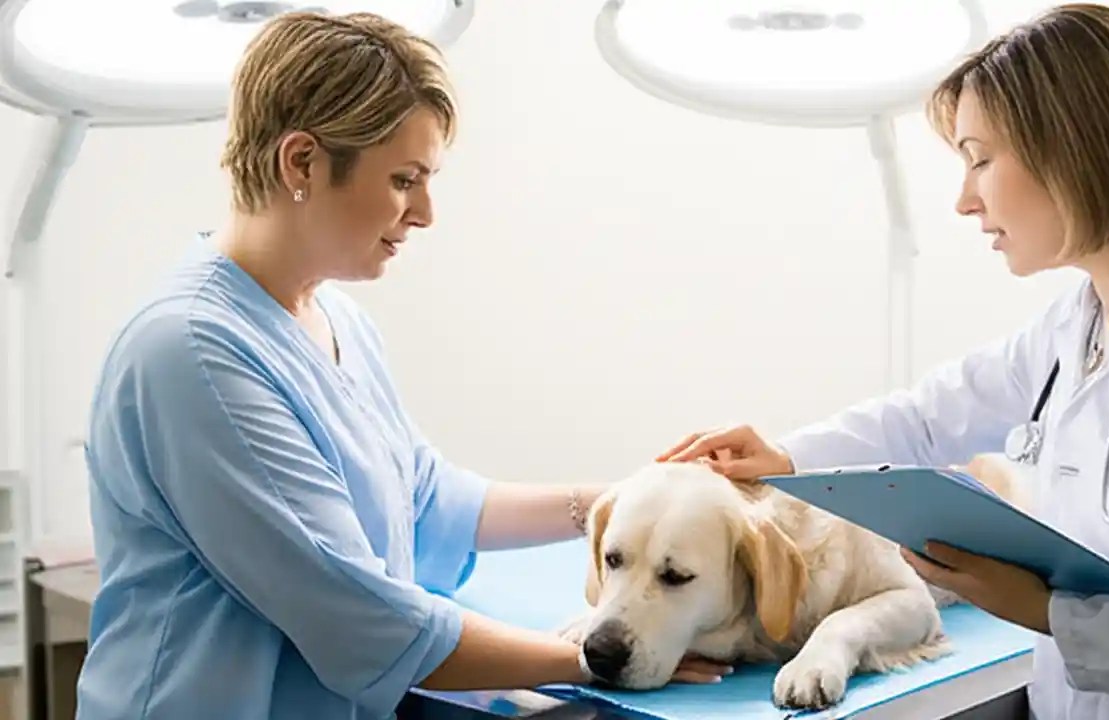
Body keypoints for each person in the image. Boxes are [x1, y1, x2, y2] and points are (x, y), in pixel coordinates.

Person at [75, 11, 728, 719]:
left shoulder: (335, 322)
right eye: (404, 179)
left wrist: (629, 499)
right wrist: (602, 656)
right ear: (301, 163)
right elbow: (358, 613)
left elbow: (426, 499)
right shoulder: (193, 356)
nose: (425, 213)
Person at [658, 4, 1109, 719]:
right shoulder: (1072, 327)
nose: (963, 200)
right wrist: (786, 459)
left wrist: (1058, 616)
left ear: (1079, 144)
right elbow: (928, 418)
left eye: (979, 158)